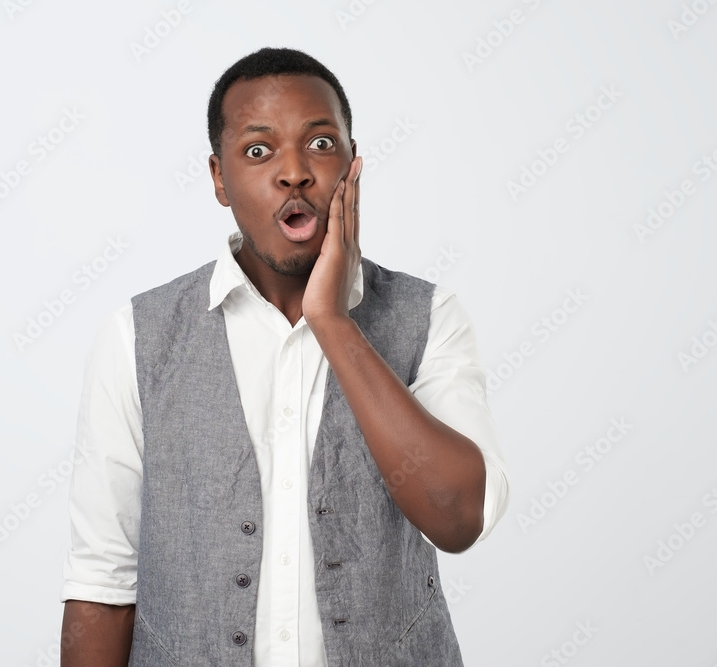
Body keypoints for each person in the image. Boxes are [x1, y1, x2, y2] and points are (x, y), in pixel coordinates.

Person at [59, 46, 510, 667]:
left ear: (353, 165)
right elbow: (102, 585)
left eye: (320, 144)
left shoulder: (429, 317)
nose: (293, 172)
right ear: (219, 178)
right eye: (258, 150)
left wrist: (333, 322)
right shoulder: (136, 337)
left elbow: (458, 518)